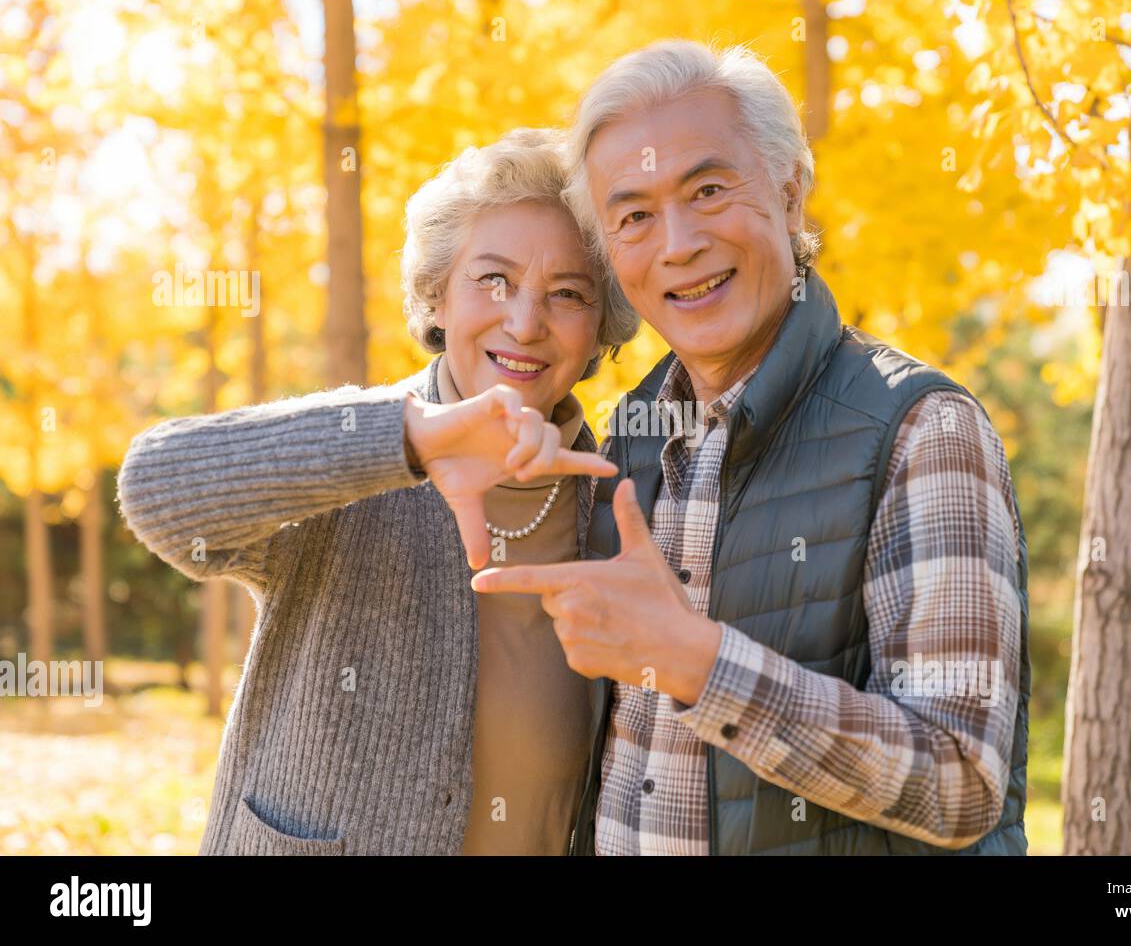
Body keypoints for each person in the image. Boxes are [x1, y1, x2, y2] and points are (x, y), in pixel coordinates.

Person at [471, 42, 1032, 855]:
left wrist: (700, 663)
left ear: (792, 192)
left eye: (707, 190)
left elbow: (961, 779)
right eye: (633, 216)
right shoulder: (626, 438)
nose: (679, 243)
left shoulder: (922, 428)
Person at [116, 127, 637, 854]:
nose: (525, 321)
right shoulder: (355, 460)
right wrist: (409, 442)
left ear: (600, 327)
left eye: (569, 292)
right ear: (435, 297)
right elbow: (156, 489)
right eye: (493, 279)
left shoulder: (620, 505)